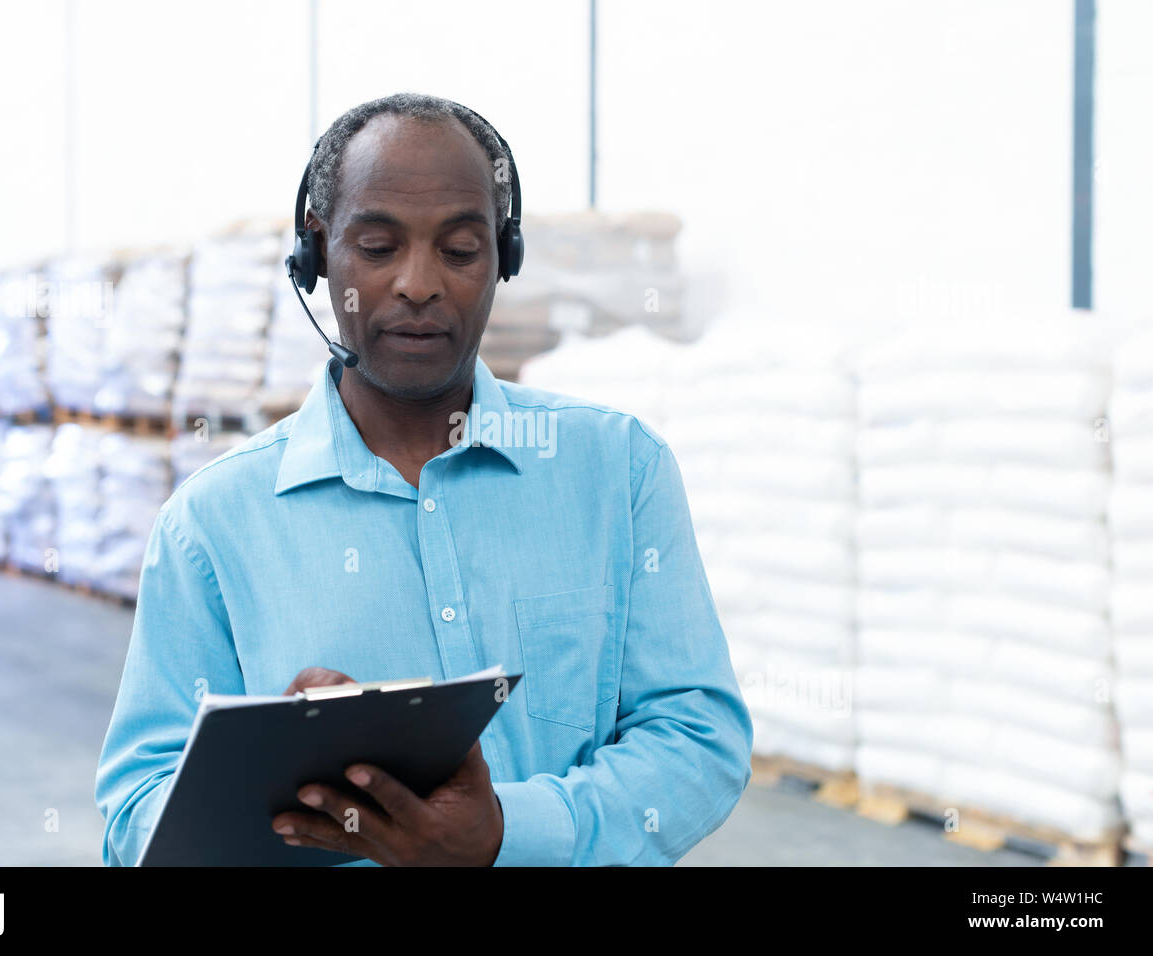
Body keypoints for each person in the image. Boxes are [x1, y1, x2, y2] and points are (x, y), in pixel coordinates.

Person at [95, 92, 753, 866]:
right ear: (316, 255)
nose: (418, 282)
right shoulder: (211, 525)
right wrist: (257, 775)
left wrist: (508, 832)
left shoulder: (619, 472)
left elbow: (698, 736)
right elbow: (133, 819)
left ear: (502, 259)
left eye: (461, 248)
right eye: (377, 247)